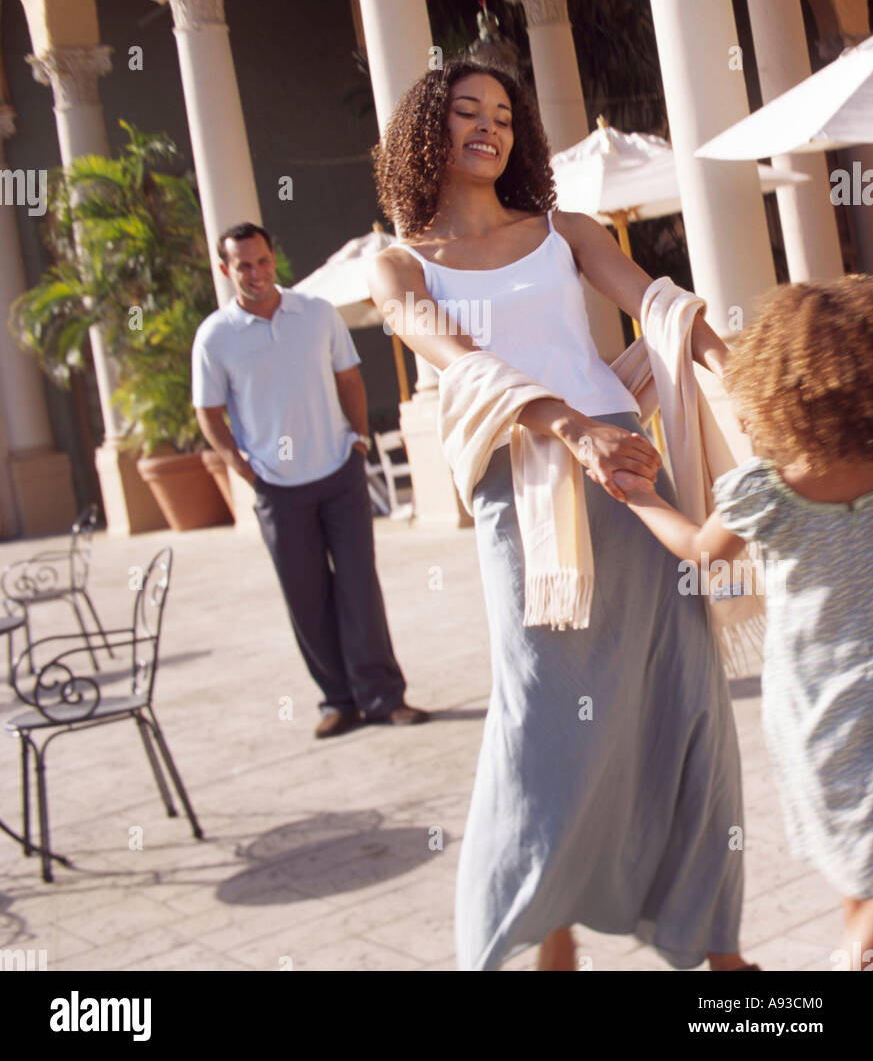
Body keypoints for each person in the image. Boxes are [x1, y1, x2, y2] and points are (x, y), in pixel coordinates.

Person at [367, 60, 757, 972]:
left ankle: (714, 949)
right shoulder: (400, 261)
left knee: (681, 695)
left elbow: (655, 305)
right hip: (531, 485)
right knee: (545, 719)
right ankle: (546, 937)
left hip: (628, 474)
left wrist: (742, 373)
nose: (488, 127)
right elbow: (452, 355)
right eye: (466, 111)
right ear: (427, 131)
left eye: (503, 114)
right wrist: (564, 424)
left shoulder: (563, 231)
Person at [613, 277, 873, 971]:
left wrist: (638, 497)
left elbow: (700, 552)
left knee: (858, 869)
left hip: (818, 706)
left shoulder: (770, 492)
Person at [192, 221, 428, 738]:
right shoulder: (215, 337)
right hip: (276, 488)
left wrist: (358, 442)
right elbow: (208, 413)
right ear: (225, 269)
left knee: (359, 589)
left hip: (339, 473)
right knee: (306, 597)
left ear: (273, 257)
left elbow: (349, 378)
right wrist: (245, 469)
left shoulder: (317, 314)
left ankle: (385, 697)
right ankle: (338, 701)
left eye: (262, 261)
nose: (256, 273)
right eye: (243, 266)